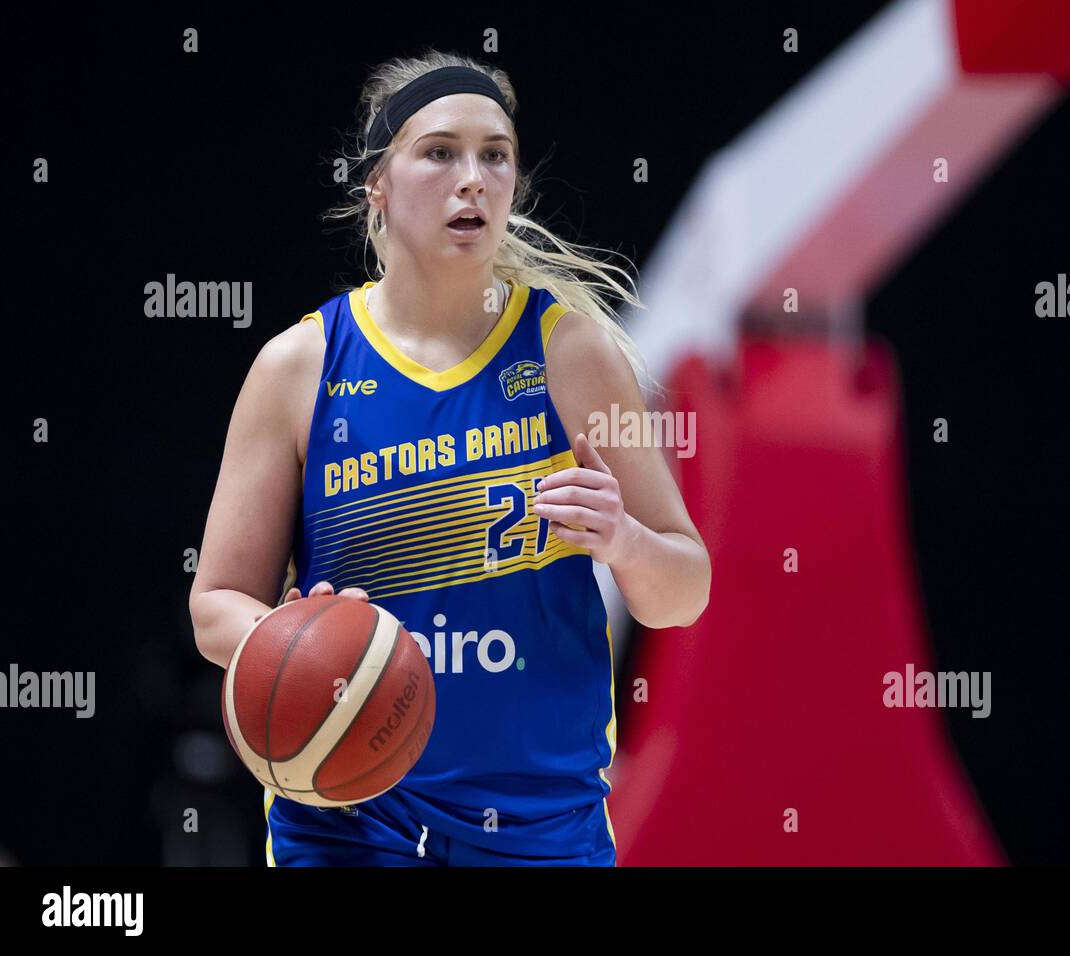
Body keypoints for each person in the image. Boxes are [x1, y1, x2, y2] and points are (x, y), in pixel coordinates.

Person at [188, 50, 710, 866]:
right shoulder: (300, 367)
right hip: (349, 824)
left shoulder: (572, 354)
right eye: (439, 152)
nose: (474, 178)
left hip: (542, 831)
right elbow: (216, 600)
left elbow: (685, 590)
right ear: (378, 187)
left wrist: (627, 542)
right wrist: (305, 638)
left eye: (494, 155)